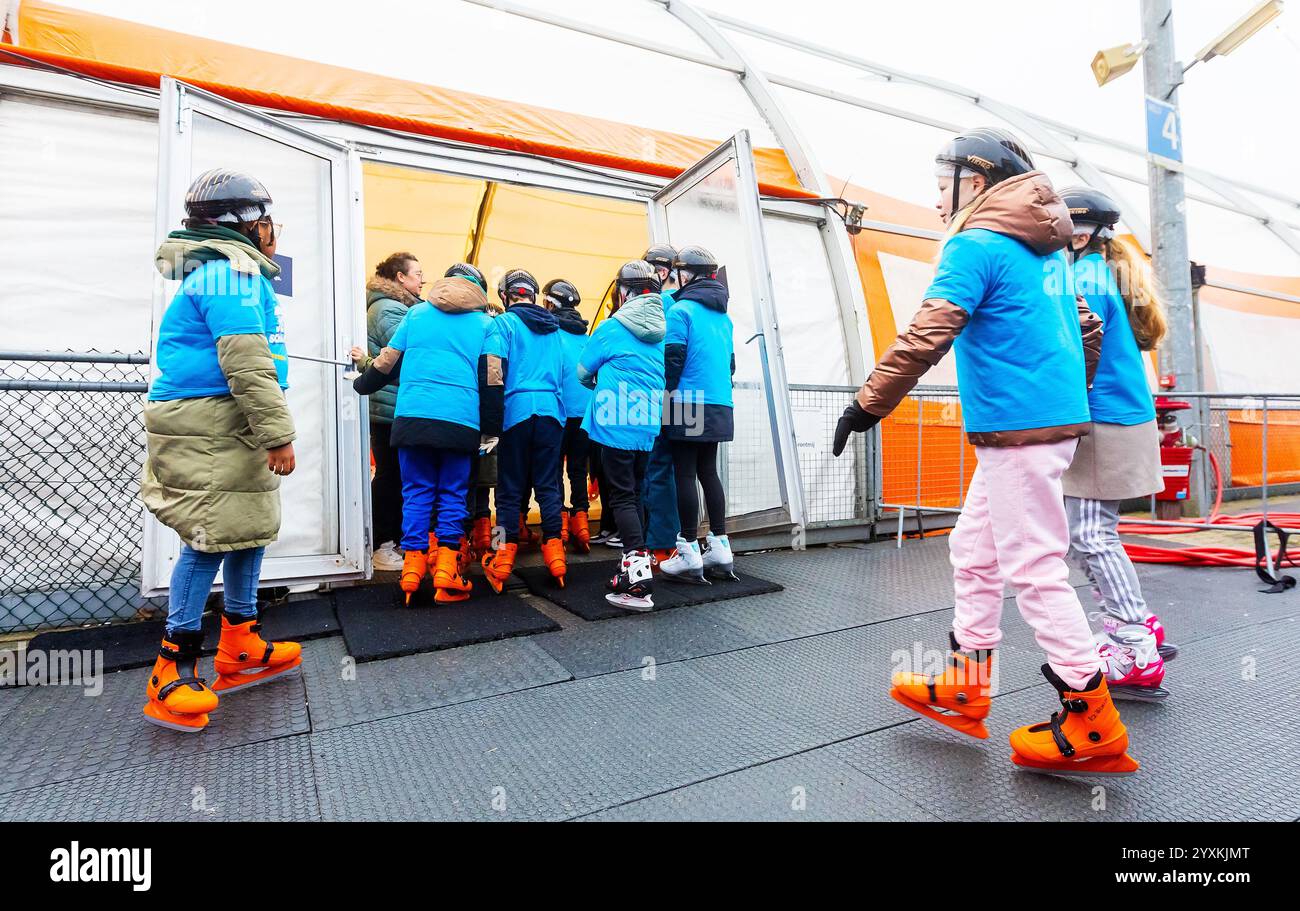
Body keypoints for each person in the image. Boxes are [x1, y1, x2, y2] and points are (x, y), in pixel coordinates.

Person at [834, 128, 1141, 777]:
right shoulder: (1044, 250)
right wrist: (1063, 398)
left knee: (1034, 568)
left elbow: (928, 331)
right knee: (973, 549)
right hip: (1031, 427)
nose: (936, 198)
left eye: (941, 183)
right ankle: (967, 684)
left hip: (1019, 430)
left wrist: (867, 404)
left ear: (973, 182)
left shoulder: (973, 244)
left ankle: (1092, 719)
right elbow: (1085, 326)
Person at [140, 168, 302, 733]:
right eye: (265, 220)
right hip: (212, 419)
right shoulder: (228, 276)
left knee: (247, 528)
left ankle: (240, 644)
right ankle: (171, 667)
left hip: (229, 420)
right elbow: (247, 363)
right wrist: (277, 433)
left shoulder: (235, 274)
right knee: (209, 537)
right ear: (242, 224)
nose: (272, 231)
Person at [1060, 185, 1175, 699]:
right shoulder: (1105, 270)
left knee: (1090, 535)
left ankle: (1133, 647)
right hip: (1120, 417)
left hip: (1104, 421)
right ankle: (1138, 627)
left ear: (1079, 234)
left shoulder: (1082, 276)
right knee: (1092, 533)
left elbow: (1072, 350)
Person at [351, 262, 497, 604]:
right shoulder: (486, 325)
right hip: (460, 421)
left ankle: (412, 571)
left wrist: (361, 383)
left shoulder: (415, 315)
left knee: (415, 492)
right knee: (452, 494)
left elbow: (387, 362)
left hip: (412, 418)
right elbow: (492, 379)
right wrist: (491, 428)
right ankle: (446, 572)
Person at [578, 261, 666, 610]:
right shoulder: (661, 329)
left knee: (622, 497)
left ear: (624, 292)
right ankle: (637, 559)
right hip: (647, 423)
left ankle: (637, 573)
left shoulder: (611, 327)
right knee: (637, 491)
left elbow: (582, 372)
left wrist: (599, 382)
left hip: (615, 421)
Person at [480, 270, 568, 591]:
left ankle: (501, 555)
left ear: (505, 296)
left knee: (508, 489)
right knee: (548, 486)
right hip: (551, 413)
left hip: (515, 413)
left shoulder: (502, 324)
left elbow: (492, 373)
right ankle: (556, 554)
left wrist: (490, 425)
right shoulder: (555, 329)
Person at [657, 245, 737, 584]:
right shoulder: (725, 317)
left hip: (687, 401)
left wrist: (664, 400)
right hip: (720, 402)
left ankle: (688, 549)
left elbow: (672, 360)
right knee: (708, 472)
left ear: (686, 275)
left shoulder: (680, 311)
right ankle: (720, 546)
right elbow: (731, 366)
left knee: (685, 474)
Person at [364, 251, 425, 571]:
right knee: (392, 477)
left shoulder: (396, 307)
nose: (422, 280)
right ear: (400, 277)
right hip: (391, 407)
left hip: (393, 405)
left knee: (398, 476)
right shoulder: (389, 309)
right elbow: (407, 355)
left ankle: (392, 541)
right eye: (418, 274)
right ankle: (381, 544)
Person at [638, 244, 682, 566]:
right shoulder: (687, 305)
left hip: (660, 395)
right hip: (687, 398)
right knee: (681, 471)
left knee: (656, 467)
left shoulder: (659, 305)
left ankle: (660, 544)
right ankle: (677, 540)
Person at [545, 278, 594, 553]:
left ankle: (560, 526)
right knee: (578, 469)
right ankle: (582, 523)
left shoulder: (551, 335)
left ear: (551, 304)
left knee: (554, 469)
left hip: (559, 411)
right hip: (585, 412)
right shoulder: (586, 337)